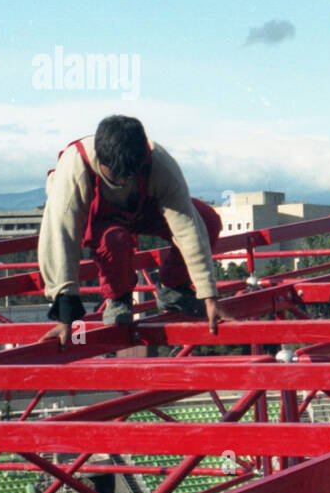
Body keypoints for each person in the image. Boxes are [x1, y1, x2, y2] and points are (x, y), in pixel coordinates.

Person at [38, 115, 222, 345]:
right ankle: (118, 297)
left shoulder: (159, 163)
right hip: (97, 219)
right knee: (115, 239)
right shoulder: (75, 166)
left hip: (143, 209)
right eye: (116, 176)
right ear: (101, 161)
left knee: (207, 220)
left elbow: (188, 228)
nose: (124, 183)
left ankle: (173, 288)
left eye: (129, 175)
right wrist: (65, 315)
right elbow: (60, 236)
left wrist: (209, 296)